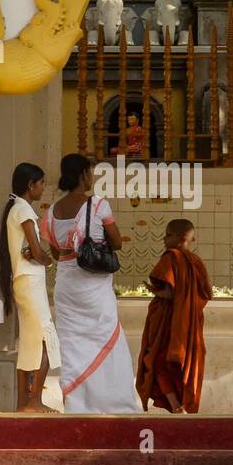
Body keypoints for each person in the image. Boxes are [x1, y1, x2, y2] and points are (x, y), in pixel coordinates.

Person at [40, 153, 140, 414]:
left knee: (72, 344)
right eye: (91, 172)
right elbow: (117, 243)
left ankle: (78, 404)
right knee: (107, 336)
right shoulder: (98, 205)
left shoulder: (52, 212)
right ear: (84, 174)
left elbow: (55, 253)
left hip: (67, 284)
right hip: (94, 287)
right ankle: (115, 403)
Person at [0, 163, 59, 414]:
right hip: (30, 281)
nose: (43, 188)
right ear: (30, 185)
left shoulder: (15, 208)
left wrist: (36, 255)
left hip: (23, 280)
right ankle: (34, 401)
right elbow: (35, 251)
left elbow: (29, 250)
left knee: (29, 343)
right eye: (41, 183)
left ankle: (25, 402)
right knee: (44, 340)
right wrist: (48, 258)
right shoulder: (23, 210)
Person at [136, 219, 213, 413]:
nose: (164, 239)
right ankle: (180, 404)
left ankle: (176, 405)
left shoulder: (171, 258)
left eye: (168, 235)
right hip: (188, 323)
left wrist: (153, 290)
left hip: (170, 322)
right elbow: (206, 292)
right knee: (180, 365)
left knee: (157, 362)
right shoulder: (196, 261)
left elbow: (169, 294)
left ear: (180, 239)